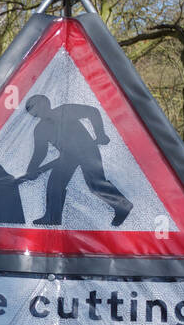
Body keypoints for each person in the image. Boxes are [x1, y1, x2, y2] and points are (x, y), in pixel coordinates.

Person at [21, 95, 133, 226]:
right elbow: (40, 152)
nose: (38, 109)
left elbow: (93, 112)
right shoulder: (40, 129)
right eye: (33, 109)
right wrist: (31, 169)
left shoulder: (65, 111)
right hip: (67, 157)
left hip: (87, 149)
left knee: (95, 184)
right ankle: (52, 217)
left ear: (47, 103)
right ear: (32, 114)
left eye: (39, 105)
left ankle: (122, 206)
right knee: (54, 184)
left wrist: (100, 133)